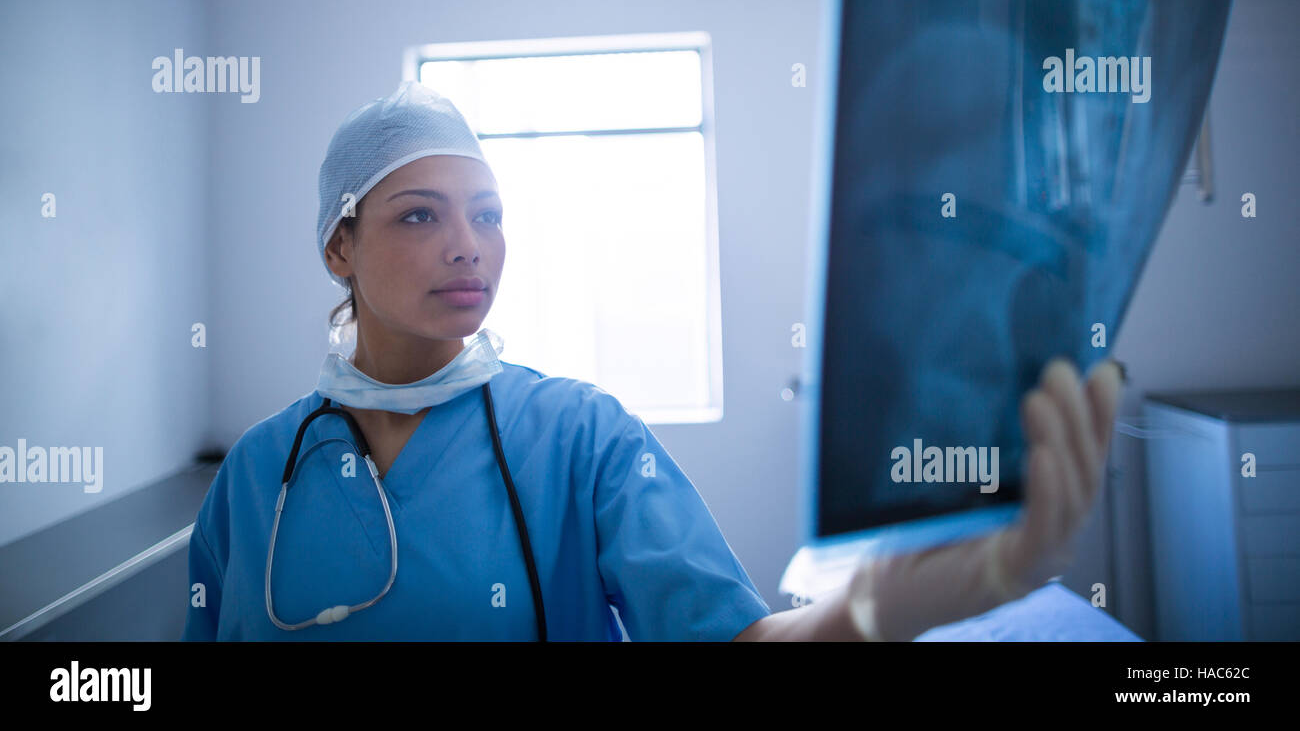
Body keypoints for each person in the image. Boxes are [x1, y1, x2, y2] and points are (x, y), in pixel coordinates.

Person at [182, 81, 1120, 641]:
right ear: (338, 247)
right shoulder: (259, 474)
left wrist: (891, 601)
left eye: (490, 214)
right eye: (420, 214)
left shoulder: (581, 437)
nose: (470, 245)